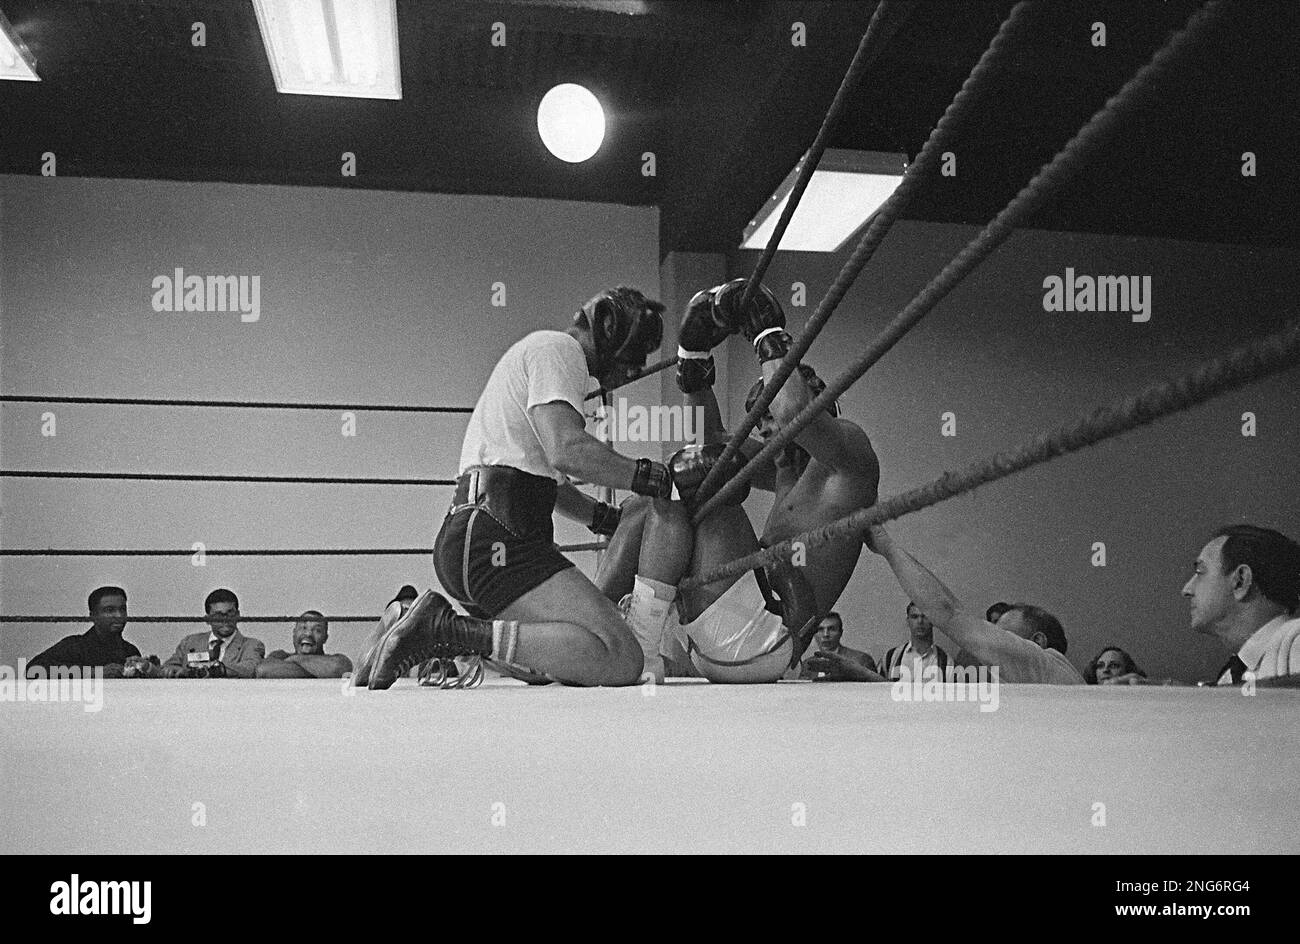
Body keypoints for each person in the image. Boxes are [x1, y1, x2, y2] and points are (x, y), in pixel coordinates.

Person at [355, 286, 671, 689]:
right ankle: (447, 631)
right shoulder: (559, 351)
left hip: (471, 540)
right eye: (637, 352)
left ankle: (408, 618)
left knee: (550, 665)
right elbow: (567, 450)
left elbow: (550, 481)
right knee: (622, 657)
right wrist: (652, 476)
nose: (633, 367)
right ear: (611, 328)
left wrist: (606, 518)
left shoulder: (538, 359)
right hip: (500, 542)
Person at [595, 279, 880, 683]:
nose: (765, 426)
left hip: (768, 636)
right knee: (654, 495)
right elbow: (708, 440)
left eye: (768, 413)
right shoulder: (782, 466)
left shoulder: (848, 455)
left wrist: (768, 334)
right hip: (730, 627)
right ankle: (593, 629)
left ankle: (640, 641)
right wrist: (692, 359)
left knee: (696, 481)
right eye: (759, 419)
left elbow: (791, 409)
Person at [865, 524, 1083, 684]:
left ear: (1038, 641)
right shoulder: (1049, 678)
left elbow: (950, 613)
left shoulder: (1040, 662)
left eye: (1003, 634)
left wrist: (886, 546)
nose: (991, 638)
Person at [1110, 524, 1300, 687]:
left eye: (1200, 572)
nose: (1186, 589)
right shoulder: (1231, 675)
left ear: (1240, 581)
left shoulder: (1296, 641)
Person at [26, 586, 144, 679]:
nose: (119, 615)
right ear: (93, 616)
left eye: (122, 609)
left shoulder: (130, 651)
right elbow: (33, 669)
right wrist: (96, 673)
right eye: (109, 610)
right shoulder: (74, 646)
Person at [161, 588, 265, 678]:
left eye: (230, 613)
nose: (225, 619)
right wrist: (173, 671)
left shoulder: (252, 645)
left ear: (238, 615)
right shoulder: (190, 642)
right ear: (207, 619)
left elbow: (250, 670)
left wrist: (214, 670)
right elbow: (168, 667)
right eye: (218, 615)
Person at [256, 611, 353, 678]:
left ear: (325, 638)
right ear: (294, 633)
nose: (308, 634)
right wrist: (321, 672)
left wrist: (295, 659)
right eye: (303, 628)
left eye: (317, 630)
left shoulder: (338, 659)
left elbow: (339, 669)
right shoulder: (279, 655)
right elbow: (263, 670)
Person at [878, 602, 951, 682]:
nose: (920, 621)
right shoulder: (890, 658)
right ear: (907, 621)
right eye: (914, 617)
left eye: (925, 616)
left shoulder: (947, 662)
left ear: (933, 621)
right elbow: (876, 691)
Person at [799, 613, 880, 681]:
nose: (825, 634)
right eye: (820, 629)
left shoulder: (861, 660)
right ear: (814, 634)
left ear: (840, 632)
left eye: (831, 629)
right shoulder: (807, 664)